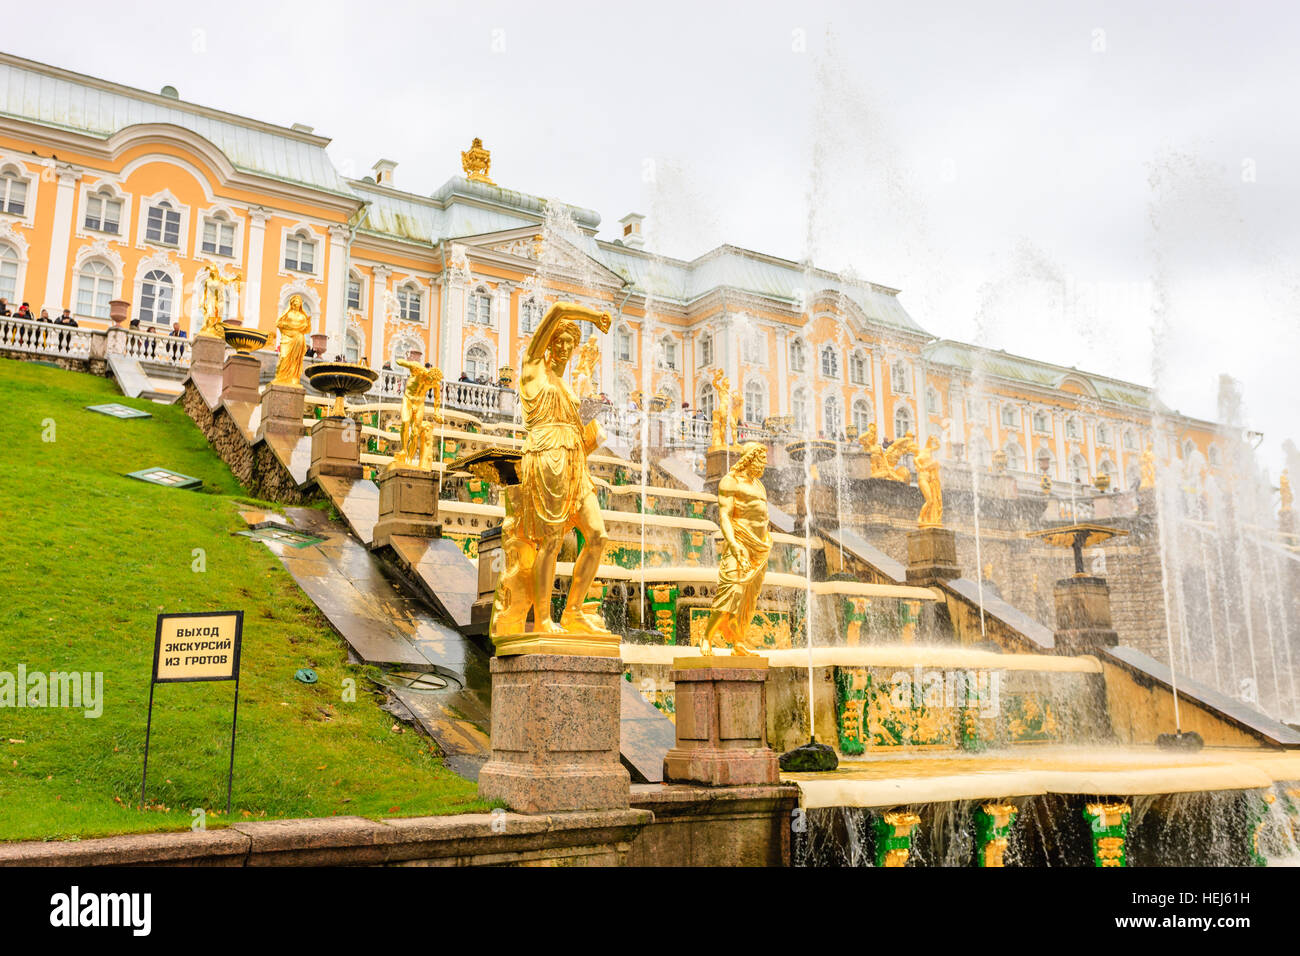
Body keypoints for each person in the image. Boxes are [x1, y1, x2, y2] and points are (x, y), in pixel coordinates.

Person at [490, 302, 613, 638]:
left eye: (569, 345)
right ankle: (543, 620)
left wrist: (592, 427)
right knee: (553, 538)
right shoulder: (532, 369)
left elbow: (582, 432)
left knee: (598, 536)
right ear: (545, 344)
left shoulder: (567, 385)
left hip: (575, 463)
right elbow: (557, 309)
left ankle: (573, 611)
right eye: (557, 342)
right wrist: (592, 316)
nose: (562, 348)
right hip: (546, 457)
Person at [699, 443, 772, 656]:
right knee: (731, 591)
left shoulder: (759, 485)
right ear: (749, 459)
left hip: (759, 548)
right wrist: (733, 544)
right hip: (738, 543)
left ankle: (738, 641)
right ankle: (706, 637)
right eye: (761, 461)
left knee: (749, 598)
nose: (764, 465)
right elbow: (725, 517)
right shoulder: (730, 482)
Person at [271, 294, 310, 386]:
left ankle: (293, 378)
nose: (297, 302)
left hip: (298, 338)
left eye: (299, 301)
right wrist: (288, 328)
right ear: (292, 303)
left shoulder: (302, 316)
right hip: (287, 338)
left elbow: (306, 328)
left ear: (300, 304)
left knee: (295, 360)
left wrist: (307, 324)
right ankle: (280, 378)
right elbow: (278, 323)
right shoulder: (287, 314)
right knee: (284, 357)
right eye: (295, 301)